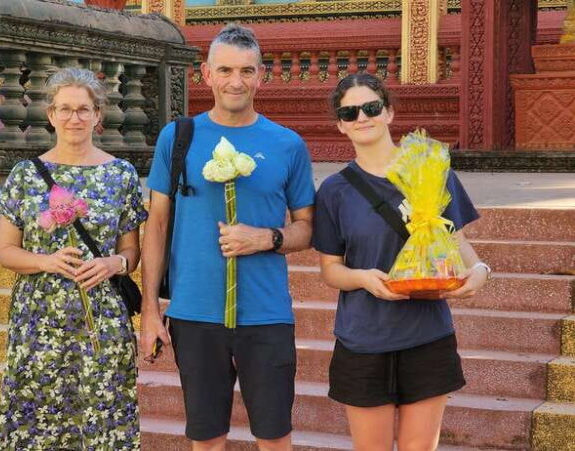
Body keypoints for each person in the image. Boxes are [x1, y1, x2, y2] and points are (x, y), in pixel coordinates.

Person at [141, 24, 315, 451]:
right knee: (206, 437)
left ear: (261, 75)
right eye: (225, 70)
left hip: (266, 313)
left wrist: (266, 238)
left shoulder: (286, 144)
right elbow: (157, 224)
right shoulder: (178, 137)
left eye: (246, 71)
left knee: (274, 436)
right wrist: (149, 310)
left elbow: (307, 227)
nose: (235, 81)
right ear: (206, 74)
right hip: (194, 311)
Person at [312, 73, 491, 450]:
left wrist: (479, 271)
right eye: (349, 112)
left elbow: (457, 242)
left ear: (389, 113)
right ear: (340, 126)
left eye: (372, 107)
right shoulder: (334, 191)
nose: (362, 117)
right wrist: (362, 278)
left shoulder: (431, 170)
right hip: (364, 338)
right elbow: (331, 269)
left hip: (426, 336)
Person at [0, 67, 147, 450]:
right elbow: (5, 251)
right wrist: (46, 261)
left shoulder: (121, 175)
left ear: (98, 115)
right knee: (38, 419)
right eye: (64, 109)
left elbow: (132, 251)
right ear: (50, 115)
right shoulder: (25, 175)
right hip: (38, 319)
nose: (73, 118)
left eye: (83, 109)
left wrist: (114, 264)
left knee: (102, 415)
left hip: (102, 320)